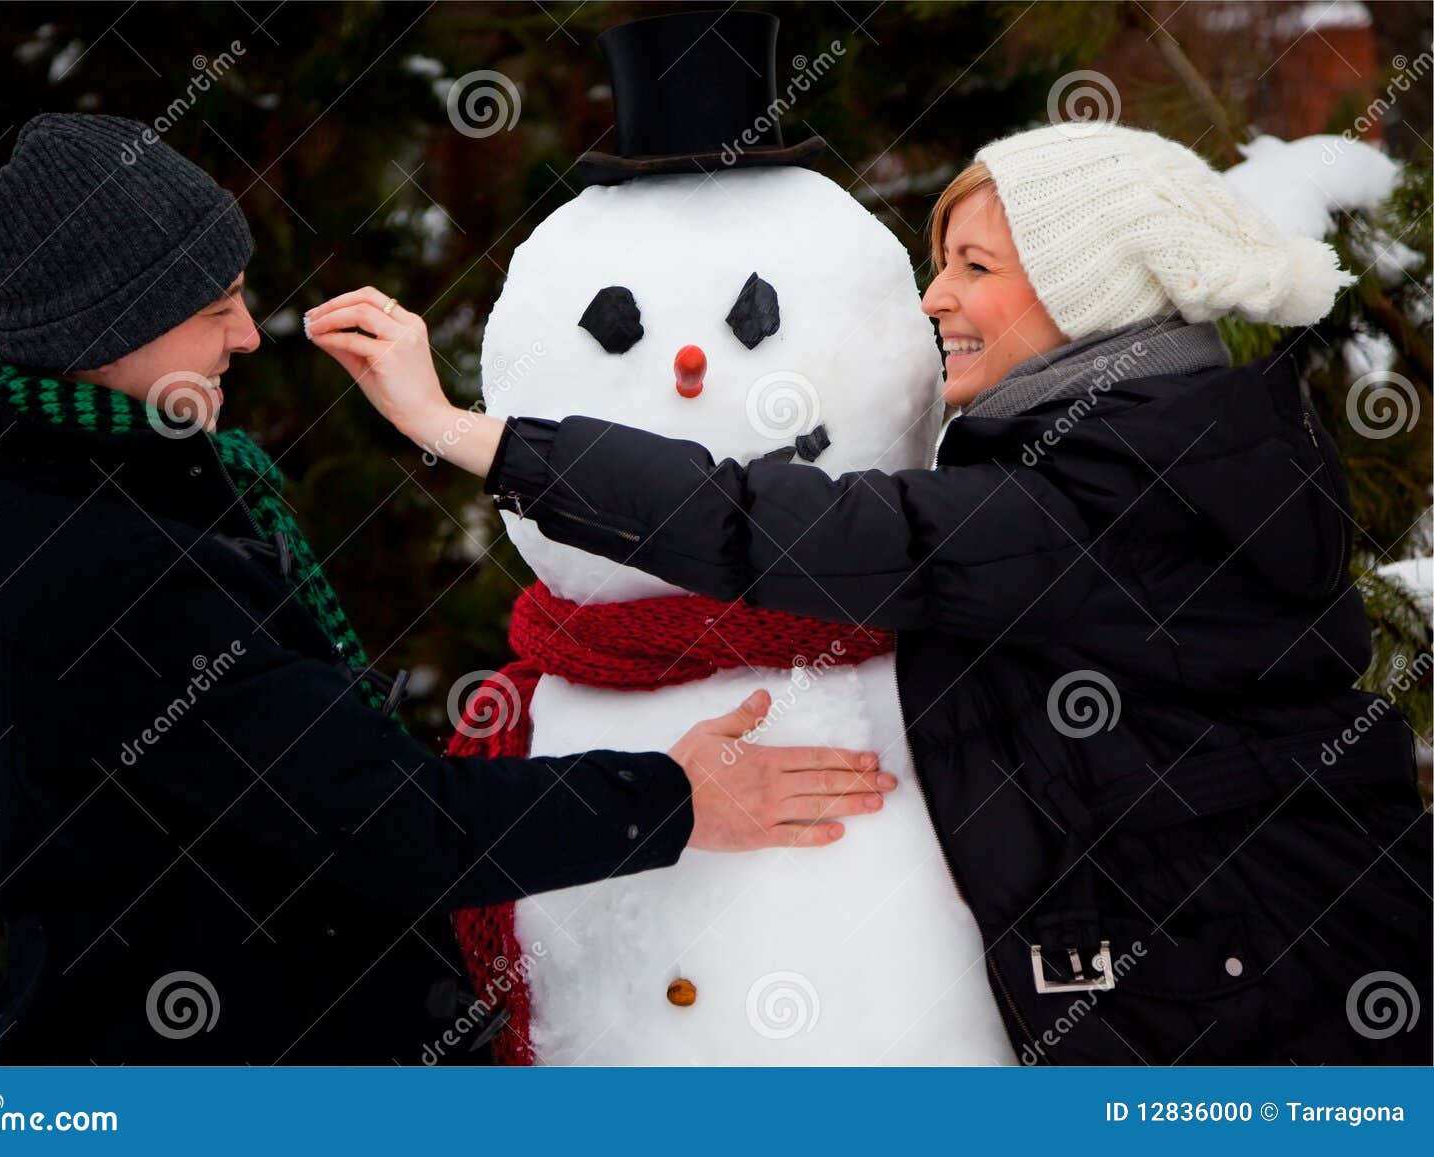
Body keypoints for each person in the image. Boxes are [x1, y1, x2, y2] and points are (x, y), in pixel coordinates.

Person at [309, 122, 1432, 1064]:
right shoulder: (1139, 447)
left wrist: (476, 437)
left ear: (1091, 288)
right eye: (938, 259)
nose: (933, 293)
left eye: (976, 268)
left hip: (1258, 1001)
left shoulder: (1120, 487)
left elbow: (811, 531)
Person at [0, 113, 895, 1065]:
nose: (246, 336)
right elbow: (390, 821)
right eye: (211, 307)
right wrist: (676, 796)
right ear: (114, 323)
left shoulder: (44, 485)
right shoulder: (111, 562)